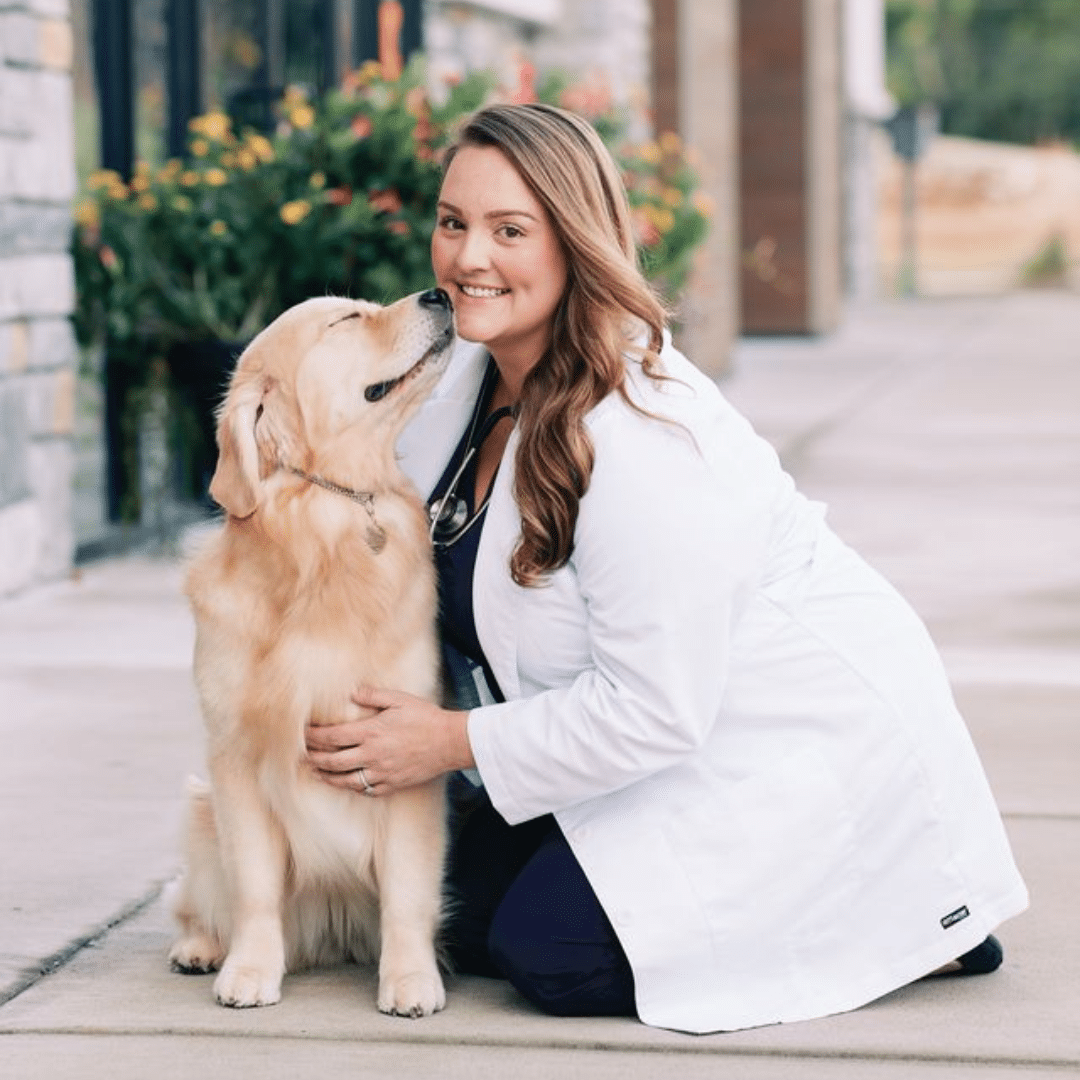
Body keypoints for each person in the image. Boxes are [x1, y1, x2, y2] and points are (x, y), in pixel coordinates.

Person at [305, 103, 1028, 1033]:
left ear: (577, 243)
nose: (467, 258)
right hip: (640, 726)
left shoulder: (647, 434)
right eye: (454, 223)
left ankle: (906, 911)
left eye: (510, 230)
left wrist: (449, 744)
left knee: (547, 955)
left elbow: (657, 707)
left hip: (781, 733)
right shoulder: (463, 380)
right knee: (455, 915)